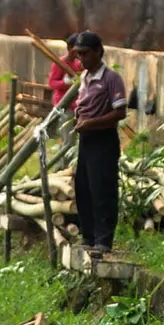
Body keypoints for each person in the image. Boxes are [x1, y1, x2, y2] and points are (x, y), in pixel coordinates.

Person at [72, 31, 127, 253]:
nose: (81, 59)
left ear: (98, 52)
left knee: (102, 188)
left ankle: (103, 240)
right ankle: (88, 236)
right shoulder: (84, 79)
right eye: (78, 55)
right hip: (86, 139)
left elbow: (120, 112)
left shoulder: (111, 79)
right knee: (83, 187)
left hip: (103, 138)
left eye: (85, 54)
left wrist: (92, 123)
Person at [48, 34, 82, 107]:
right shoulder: (60, 63)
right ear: (70, 48)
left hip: (76, 104)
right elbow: (52, 83)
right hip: (62, 104)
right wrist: (65, 82)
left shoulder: (79, 64)